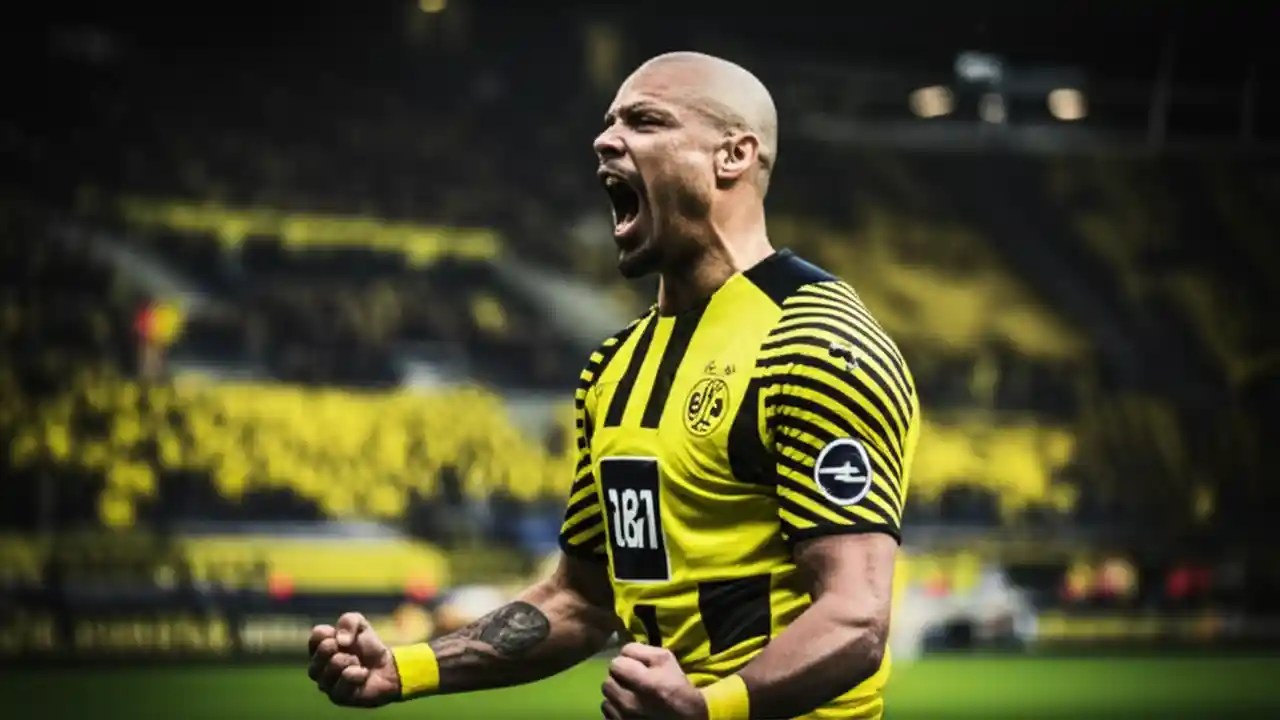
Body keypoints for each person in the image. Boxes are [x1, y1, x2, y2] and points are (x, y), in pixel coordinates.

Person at [307, 50, 919, 720]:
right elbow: (582, 599)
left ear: (733, 156)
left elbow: (856, 617)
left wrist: (710, 710)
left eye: (646, 121)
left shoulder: (816, 343)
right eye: (608, 123)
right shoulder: (614, 369)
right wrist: (407, 668)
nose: (605, 139)